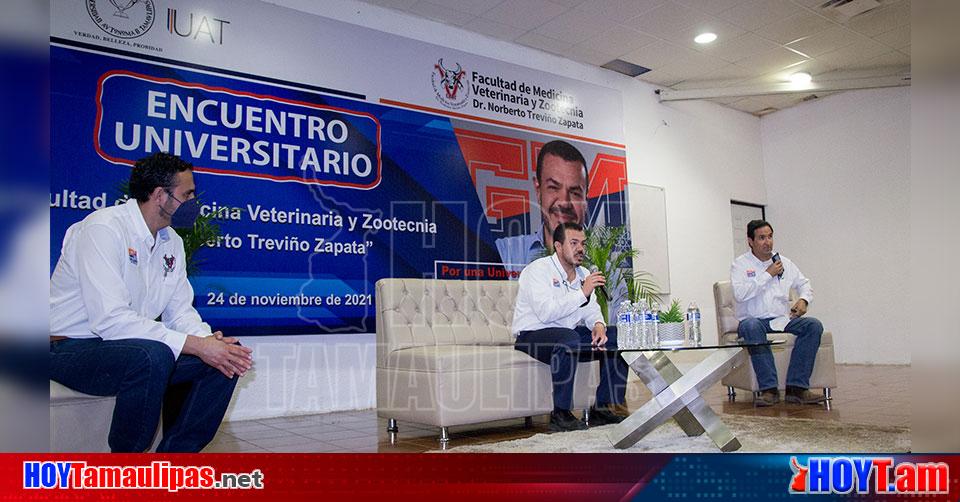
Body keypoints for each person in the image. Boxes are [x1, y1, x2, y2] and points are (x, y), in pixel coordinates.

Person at [49, 152, 253, 452]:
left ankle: (173, 460)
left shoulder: (172, 242)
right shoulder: (103, 229)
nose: (194, 203)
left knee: (227, 358)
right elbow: (111, 320)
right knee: (151, 355)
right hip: (66, 348)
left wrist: (209, 341)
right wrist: (196, 345)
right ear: (161, 195)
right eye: (188, 194)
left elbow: (180, 312)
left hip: (122, 347)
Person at [512, 222, 630, 431]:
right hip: (533, 336)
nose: (580, 249)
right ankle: (560, 413)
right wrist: (581, 293)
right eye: (573, 243)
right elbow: (546, 313)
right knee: (569, 339)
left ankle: (602, 408)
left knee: (619, 337)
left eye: (582, 243)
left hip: (569, 335)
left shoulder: (583, 273)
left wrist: (599, 325)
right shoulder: (537, 270)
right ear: (558, 246)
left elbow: (591, 309)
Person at [730, 219, 827, 407]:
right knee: (751, 326)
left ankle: (796, 388)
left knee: (813, 325)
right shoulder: (740, 265)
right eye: (761, 238)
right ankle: (769, 390)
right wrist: (768, 274)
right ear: (750, 241)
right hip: (753, 322)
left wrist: (803, 300)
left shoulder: (785, 262)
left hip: (782, 320)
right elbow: (740, 295)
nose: (768, 242)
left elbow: (804, 284)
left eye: (770, 237)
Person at [496, 140, 588, 268]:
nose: (564, 203)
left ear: (585, 199)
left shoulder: (610, 275)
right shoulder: (504, 254)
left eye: (575, 192)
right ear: (538, 190)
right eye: (553, 187)